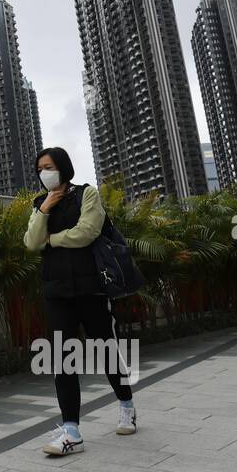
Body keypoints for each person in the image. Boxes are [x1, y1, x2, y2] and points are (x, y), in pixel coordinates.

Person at [23, 147, 136, 455]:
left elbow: (87, 232)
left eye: (48, 166)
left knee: (106, 350)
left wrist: (53, 240)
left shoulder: (86, 194)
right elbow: (31, 243)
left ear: (62, 167)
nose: (44, 173)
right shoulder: (38, 204)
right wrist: (44, 210)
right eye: (39, 169)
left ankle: (126, 404)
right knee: (62, 360)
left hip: (92, 289)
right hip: (57, 292)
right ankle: (71, 430)